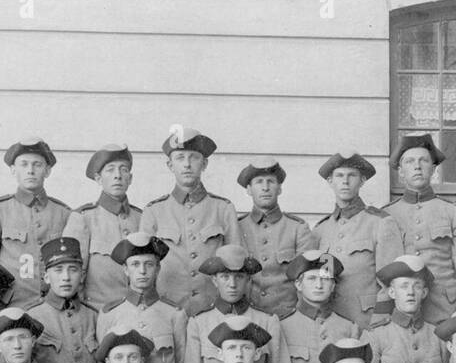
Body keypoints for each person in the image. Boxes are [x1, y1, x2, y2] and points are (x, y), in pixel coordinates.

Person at [376, 134, 456, 325]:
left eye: (423, 161)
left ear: (433, 169)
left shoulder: (453, 212)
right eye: (409, 161)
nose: (417, 166)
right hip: (401, 310)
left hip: (444, 308)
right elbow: (383, 269)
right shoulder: (386, 215)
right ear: (400, 171)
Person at [140, 126, 239, 314]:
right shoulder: (154, 211)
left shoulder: (223, 208)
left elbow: (235, 265)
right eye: (180, 158)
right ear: (170, 166)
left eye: (193, 157)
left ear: (204, 164)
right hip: (167, 310)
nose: (187, 164)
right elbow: (144, 266)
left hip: (213, 311)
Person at [0, 138, 71, 308]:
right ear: (13, 170)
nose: (30, 171)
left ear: (47, 171)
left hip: (54, 307)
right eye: (24, 164)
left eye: (37, 165)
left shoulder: (64, 213)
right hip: (12, 306)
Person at [184, 244, 293, 363]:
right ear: (215, 281)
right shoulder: (198, 323)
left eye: (239, 277)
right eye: (225, 277)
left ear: (248, 280)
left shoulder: (267, 322)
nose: (232, 284)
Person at [277, 250, 374, 363]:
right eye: (312, 278)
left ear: (333, 285)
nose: (319, 285)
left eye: (325, 279)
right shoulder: (283, 327)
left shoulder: (349, 327)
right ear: (298, 284)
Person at [96, 233, 186, 363]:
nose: (142, 271)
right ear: (125, 269)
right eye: (135, 264)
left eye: (149, 264)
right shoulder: (109, 314)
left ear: (158, 269)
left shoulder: (174, 314)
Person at [311, 151, 387, 328]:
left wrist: (380, 319)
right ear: (330, 181)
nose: (345, 181)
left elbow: (389, 280)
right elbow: (322, 276)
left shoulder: (379, 223)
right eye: (339, 176)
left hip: (367, 319)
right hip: (331, 322)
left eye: (352, 175)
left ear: (362, 181)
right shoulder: (322, 229)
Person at [235, 157, 318, 317]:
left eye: (271, 182)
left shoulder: (297, 228)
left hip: (286, 315)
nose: (265, 188)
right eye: (259, 182)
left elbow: (307, 279)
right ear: (249, 190)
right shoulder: (237, 227)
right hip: (246, 316)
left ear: (279, 188)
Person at [63, 145, 142, 310]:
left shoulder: (141, 218)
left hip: (137, 312)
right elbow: (74, 273)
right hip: (99, 312)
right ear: (99, 179)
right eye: (110, 170)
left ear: (131, 178)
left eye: (123, 170)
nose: (117, 176)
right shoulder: (84, 218)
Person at [366, 254, 444, 363]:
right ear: (392, 293)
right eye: (404, 286)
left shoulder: (438, 335)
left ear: (424, 293)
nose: (410, 292)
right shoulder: (376, 335)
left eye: (416, 286)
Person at [27, 237, 101, 363]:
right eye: (58, 270)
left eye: (73, 270)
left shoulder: (94, 316)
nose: (66, 277)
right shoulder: (32, 317)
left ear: (82, 276)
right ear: (46, 277)